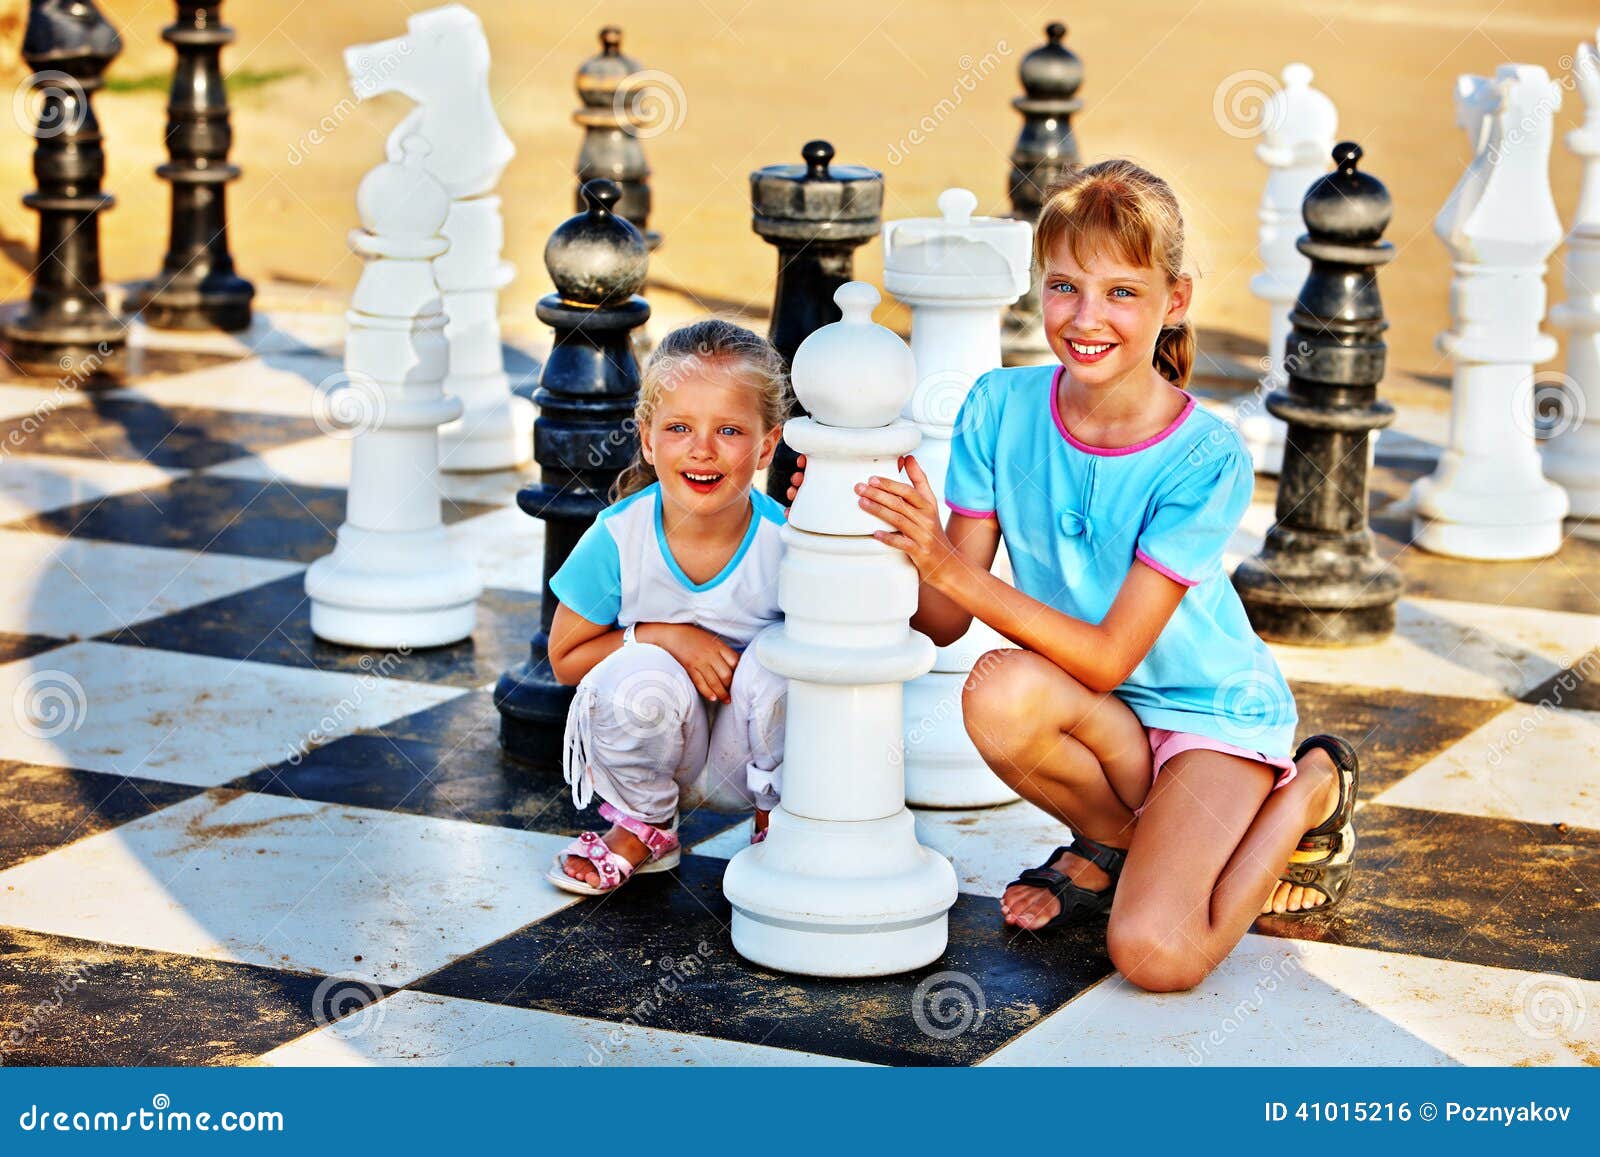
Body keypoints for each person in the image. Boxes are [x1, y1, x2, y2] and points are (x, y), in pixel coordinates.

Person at [792, 159, 1359, 992]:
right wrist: (858, 524)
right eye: (1064, 286)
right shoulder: (999, 406)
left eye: (1122, 292)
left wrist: (946, 561)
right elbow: (946, 622)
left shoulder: (1205, 455)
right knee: (995, 690)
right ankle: (1117, 843)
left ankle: (1311, 782)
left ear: (1176, 298)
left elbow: (1105, 659)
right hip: (1107, 726)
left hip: (1211, 718)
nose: (1086, 318)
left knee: (1157, 956)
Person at [546, 319, 790, 896]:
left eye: (729, 429)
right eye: (679, 427)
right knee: (633, 675)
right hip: (658, 753)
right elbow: (564, 661)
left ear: (767, 446)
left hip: (750, 751)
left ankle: (780, 824)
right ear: (648, 439)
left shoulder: (790, 544)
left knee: (787, 661)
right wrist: (665, 636)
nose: (702, 449)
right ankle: (646, 825)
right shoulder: (617, 538)